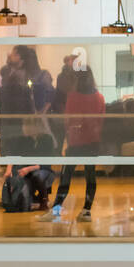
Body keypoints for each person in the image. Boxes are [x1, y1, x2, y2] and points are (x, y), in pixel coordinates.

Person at [39, 62, 104, 223]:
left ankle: (56, 210)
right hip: (93, 142)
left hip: (76, 143)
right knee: (90, 176)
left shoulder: (74, 96)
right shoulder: (99, 97)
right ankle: (86, 211)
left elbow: (68, 121)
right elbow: (101, 121)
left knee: (66, 176)